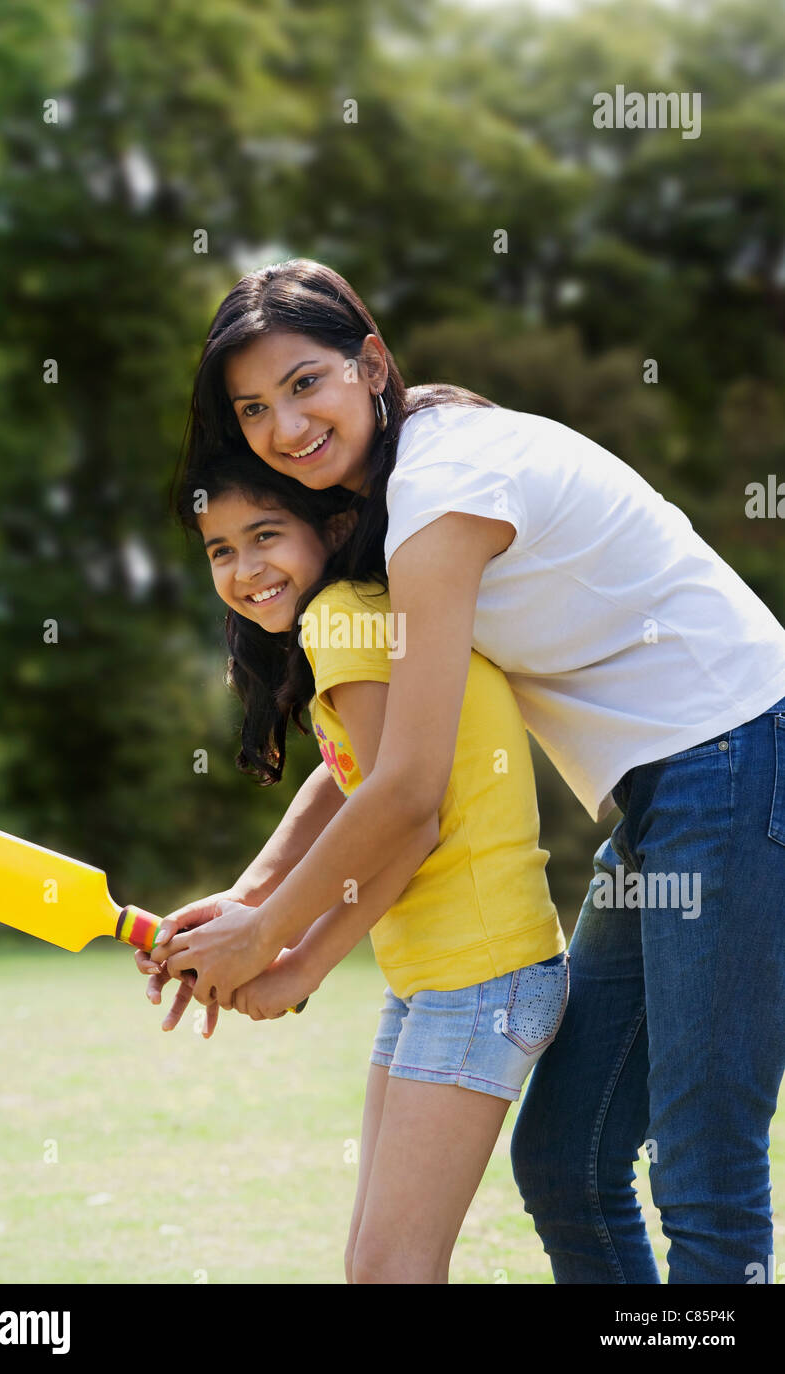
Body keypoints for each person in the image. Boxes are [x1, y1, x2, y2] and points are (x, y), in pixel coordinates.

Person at [145, 258, 785, 1284]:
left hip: (741, 755)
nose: (283, 425)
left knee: (703, 1168)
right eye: (253, 407)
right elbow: (381, 752)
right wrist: (255, 894)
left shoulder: (438, 495)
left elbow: (407, 793)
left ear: (370, 363)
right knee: (567, 1159)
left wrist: (271, 940)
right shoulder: (396, 503)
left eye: (305, 383)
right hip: (666, 794)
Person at [141, 447, 568, 1285]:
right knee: (375, 1266)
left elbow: (404, 824)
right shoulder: (360, 613)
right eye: (221, 549)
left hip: (481, 977)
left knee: (390, 1268)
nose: (244, 567)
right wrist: (247, 895)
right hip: (445, 979)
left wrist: (292, 963)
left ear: (333, 526)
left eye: (265, 534)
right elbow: (348, 778)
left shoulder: (344, 613)